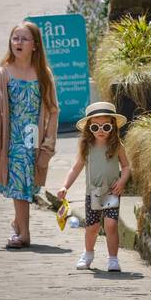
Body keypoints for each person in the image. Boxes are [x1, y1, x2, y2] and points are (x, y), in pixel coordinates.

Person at [0, 20, 59, 249]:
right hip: (12, 139)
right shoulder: (3, 73)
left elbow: (53, 110)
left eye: (24, 39)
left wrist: (48, 146)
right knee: (18, 182)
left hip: (33, 138)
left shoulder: (43, 74)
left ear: (35, 45)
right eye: (15, 38)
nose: (18, 42)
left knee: (27, 185)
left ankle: (18, 222)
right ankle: (25, 234)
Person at [58, 101, 130, 272]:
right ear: (88, 128)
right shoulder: (87, 147)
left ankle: (113, 259)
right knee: (92, 227)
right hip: (93, 192)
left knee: (111, 225)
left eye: (105, 127)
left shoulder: (116, 145)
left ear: (112, 126)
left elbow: (126, 166)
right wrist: (65, 187)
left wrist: (122, 181)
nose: (100, 131)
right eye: (95, 128)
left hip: (111, 191)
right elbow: (75, 168)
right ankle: (88, 254)